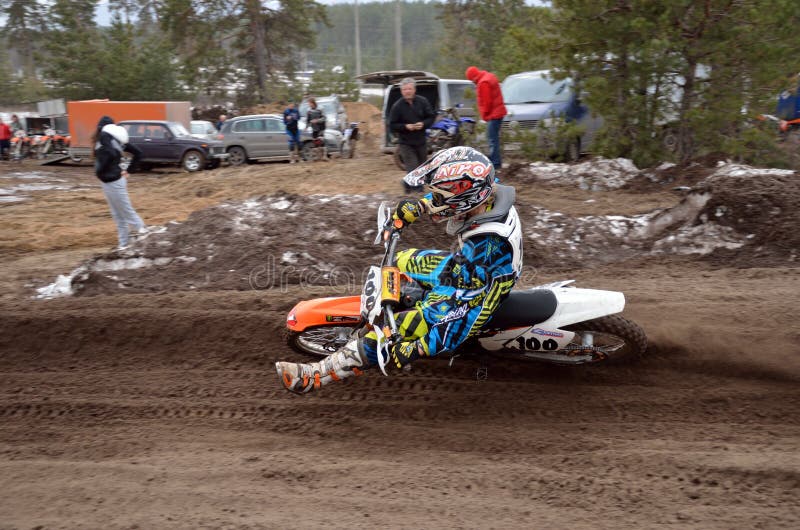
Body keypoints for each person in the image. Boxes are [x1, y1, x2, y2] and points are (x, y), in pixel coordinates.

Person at [276, 146, 523, 394]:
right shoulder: (487, 193)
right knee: (403, 259)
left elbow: (468, 317)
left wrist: (417, 349)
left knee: (399, 329)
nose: (434, 199)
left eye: (438, 196)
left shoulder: (488, 247)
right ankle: (409, 302)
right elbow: (455, 195)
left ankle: (315, 376)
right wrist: (420, 207)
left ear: (464, 199)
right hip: (463, 269)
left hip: (476, 292)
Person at [93, 116, 148, 251]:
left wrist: (128, 170)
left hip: (114, 182)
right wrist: (128, 170)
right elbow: (138, 153)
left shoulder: (107, 140)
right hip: (110, 182)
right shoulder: (113, 141)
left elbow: (138, 153)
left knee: (126, 212)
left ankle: (145, 235)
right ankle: (123, 244)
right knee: (118, 215)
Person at [388, 77, 436, 178]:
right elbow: (392, 125)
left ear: (414, 90)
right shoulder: (397, 106)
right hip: (406, 143)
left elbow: (431, 116)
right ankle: (414, 191)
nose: (407, 91)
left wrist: (423, 124)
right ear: (401, 91)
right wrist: (405, 126)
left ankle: (416, 190)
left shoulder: (422, 101)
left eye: (409, 89)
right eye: (405, 89)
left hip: (421, 142)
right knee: (412, 168)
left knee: (422, 168)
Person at [466, 66, 507, 169]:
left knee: (492, 140)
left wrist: (484, 114)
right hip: (498, 112)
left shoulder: (483, 83)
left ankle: (495, 163)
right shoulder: (489, 76)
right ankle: (496, 161)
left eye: (472, 80)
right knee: (494, 139)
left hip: (493, 114)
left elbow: (487, 102)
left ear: (473, 77)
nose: (473, 82)